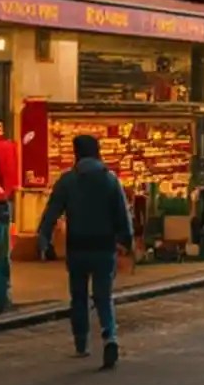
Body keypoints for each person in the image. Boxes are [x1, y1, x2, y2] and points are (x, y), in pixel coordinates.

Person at [38, 135, 133, 370]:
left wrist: (44, 240)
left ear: (76, 153)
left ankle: (82, 344)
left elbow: (51, 213)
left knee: (78, 297)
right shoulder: (110, 180)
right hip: (104, 247)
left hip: (77, 248)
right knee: (103, 296)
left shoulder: (68, 181)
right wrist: (125, 242)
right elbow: (122, 214)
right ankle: (109, 336)